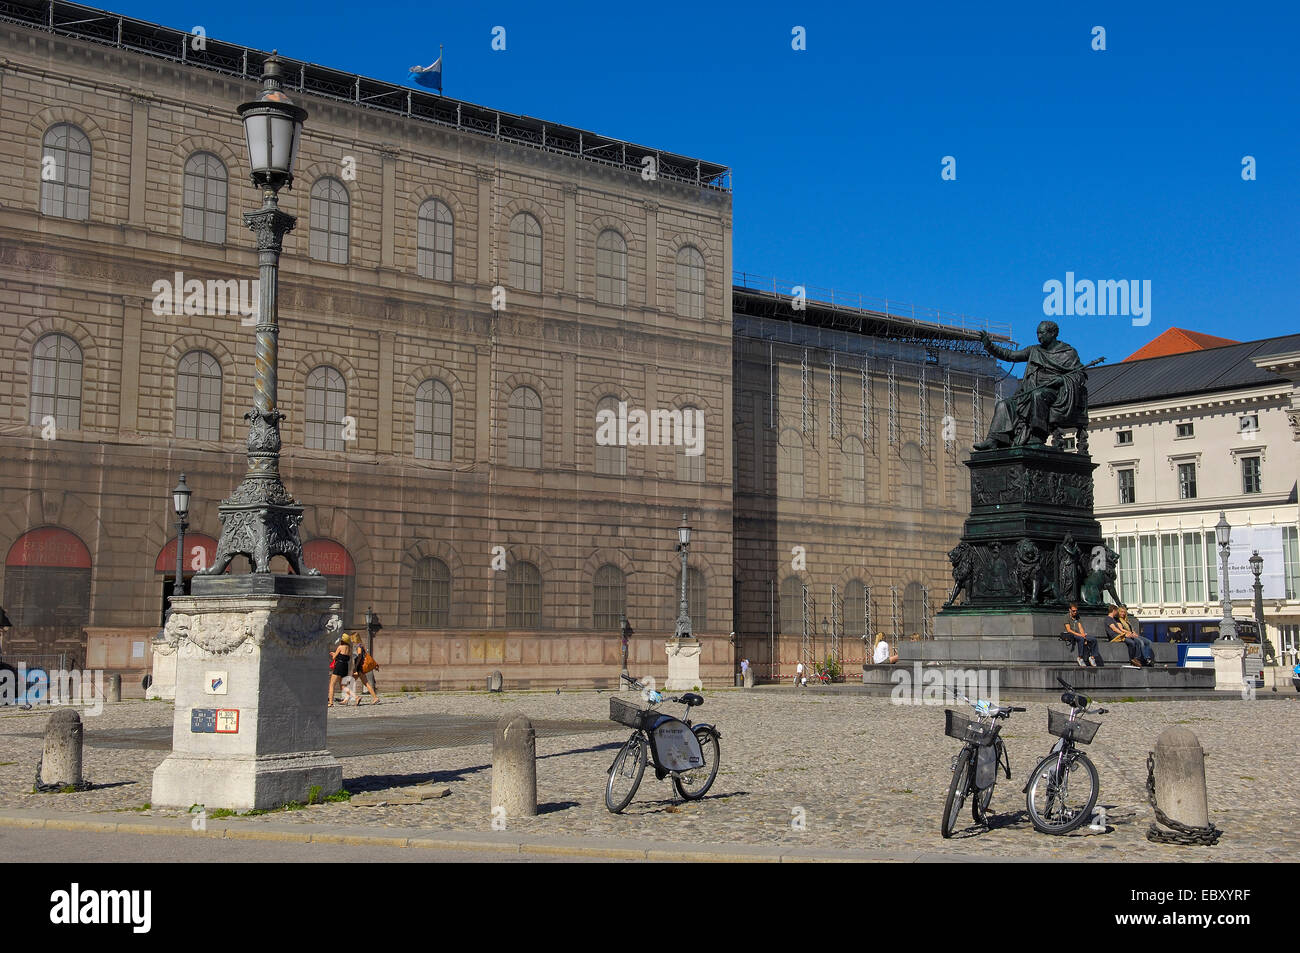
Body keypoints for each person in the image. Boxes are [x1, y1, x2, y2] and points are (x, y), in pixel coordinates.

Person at [973, 321, 1088, 450]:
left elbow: (1079, 375)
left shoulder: (1068, 353)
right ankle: (994, 439)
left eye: (1042, 333)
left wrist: (1062, 380)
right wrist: (989, 345)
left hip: (1056, 393)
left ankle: (1037, 436)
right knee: (1004, 404)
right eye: (1037, 333)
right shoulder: (1034, 350)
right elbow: (1010, 355)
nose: (1039, 336)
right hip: (1031, 391)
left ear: (1053, 333)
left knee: (1038, 395)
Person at [1064, 603, 1101, 667]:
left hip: (1079, 634)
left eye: (1076, 610)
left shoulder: (1077, 616)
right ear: (1070, 610)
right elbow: (1069, 630)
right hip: (1071, 634)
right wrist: (1080, 635)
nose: (1075, 612)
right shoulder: (1066, 616)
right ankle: (1080, 658)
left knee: (1093, 639)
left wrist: (1083, 635)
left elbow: (1080, 627)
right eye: (1073, 611)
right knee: (1081, 639)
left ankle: (1092, 657)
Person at [350, 635, 380, 705]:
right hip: (359, 668)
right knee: (365, 683)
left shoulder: (359, 646)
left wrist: (356, 667)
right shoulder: (360, 645)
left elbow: (359, 656)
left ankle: (355, 698)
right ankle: (375, 698)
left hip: (359, 668)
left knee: (350, 683)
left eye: (352, 638)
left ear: (354, 639)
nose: (351, 640)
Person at [328, 633, 352, 707]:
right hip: (345, 666)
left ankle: (331, 702)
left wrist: (333, 654)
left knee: (332, 684)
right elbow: (347, 657)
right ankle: (355, 697)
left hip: (339, 666)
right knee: (343, 685)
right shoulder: (349, 648)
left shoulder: (340, 647)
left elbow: (334, 657)